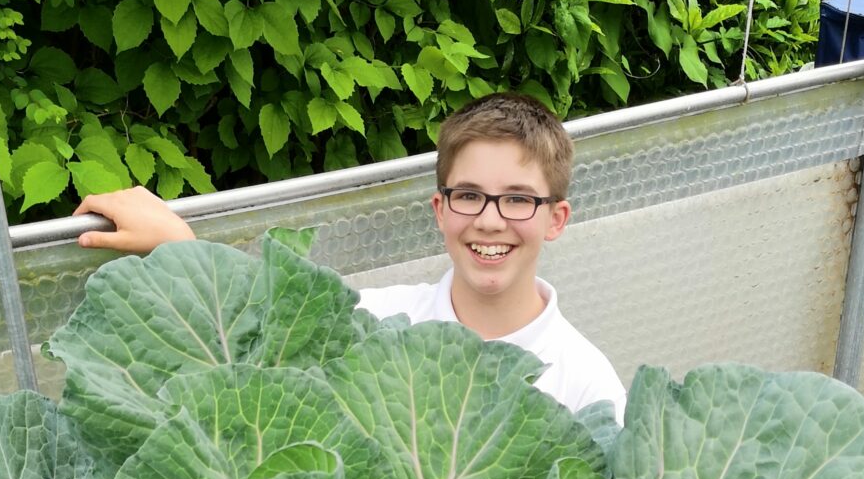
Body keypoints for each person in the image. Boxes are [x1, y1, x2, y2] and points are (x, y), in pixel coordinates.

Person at [74, 92, 625, 418]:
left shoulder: (587, 386)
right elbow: (269, 328)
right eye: (470, 195)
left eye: (518, 200)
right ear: (439, 208)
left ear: (556, 219)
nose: (490, 219)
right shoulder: (378, 323)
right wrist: (179, 244)